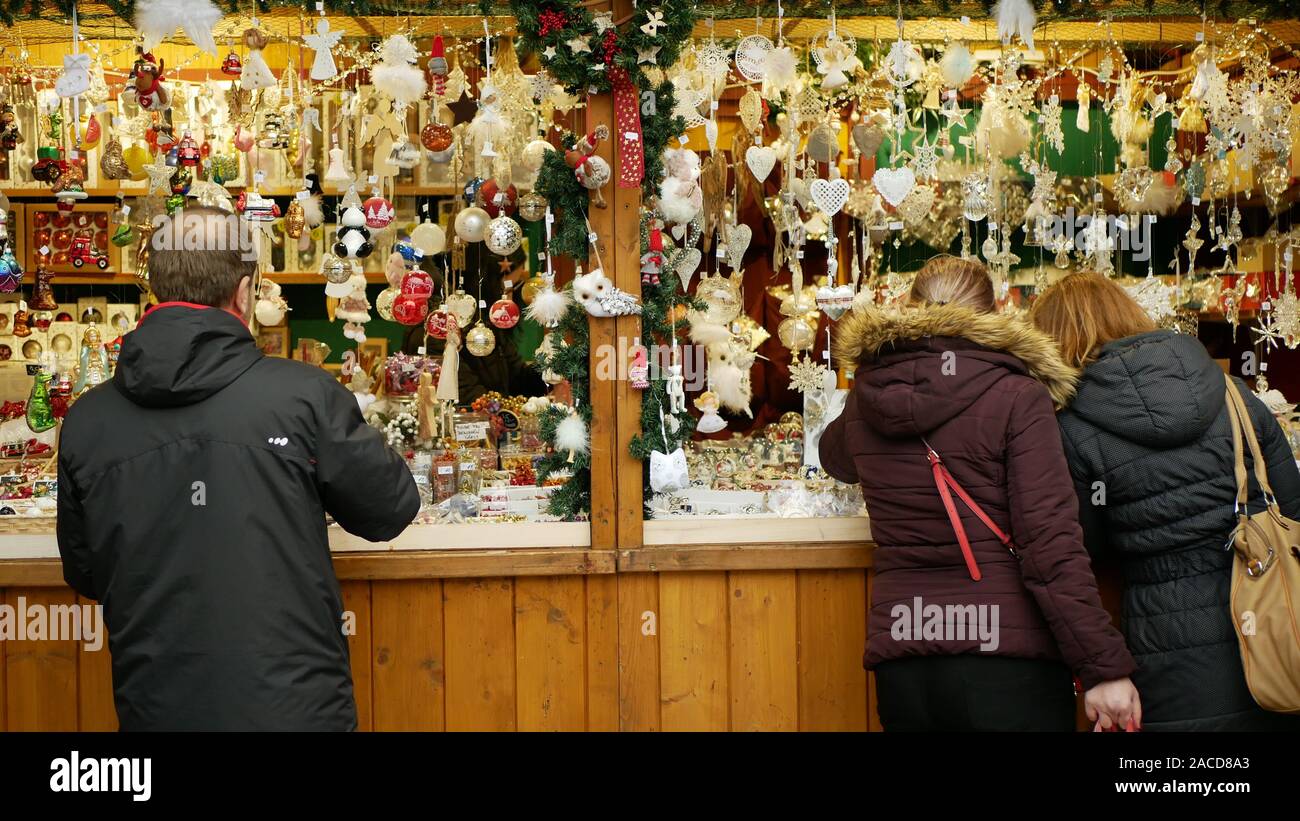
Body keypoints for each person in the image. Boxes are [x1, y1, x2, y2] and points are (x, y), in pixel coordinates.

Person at [57, 206, 420, 731]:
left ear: (156, 288)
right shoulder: (303, 396)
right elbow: (390, 508)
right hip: (297, 710)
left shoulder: (89, 420)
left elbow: (85, 572)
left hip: (156, 708)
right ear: (246, 293)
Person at [819, 256, 1139, 731]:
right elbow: (1050, 546)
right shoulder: (1017, 395)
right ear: (992, 315)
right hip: (1005, 664)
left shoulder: (868, 393)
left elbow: (834, 458)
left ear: (911, 309)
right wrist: (1102, 665)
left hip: (906, 660)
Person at [1031, 272, 1300, 731]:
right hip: (1277, 638)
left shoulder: (1069, 427)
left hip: (1167, 651)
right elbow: (1291, 508)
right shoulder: (1236, 394)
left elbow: (1083, 548)